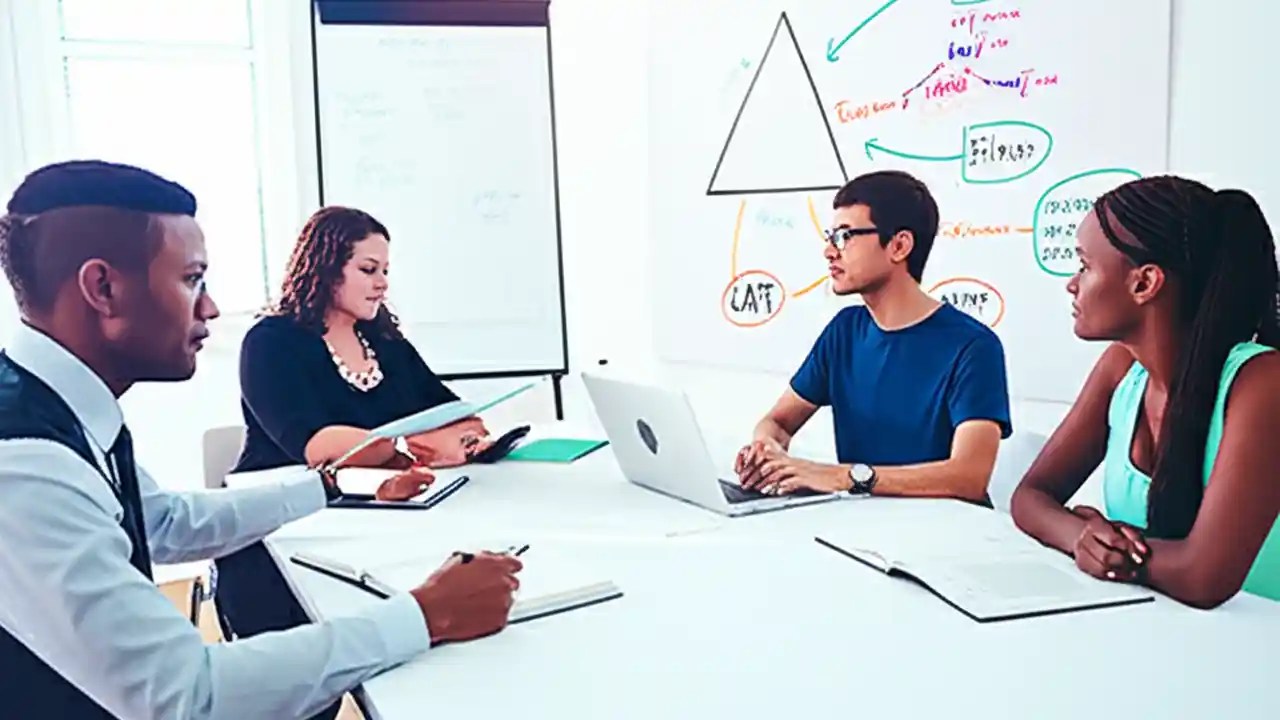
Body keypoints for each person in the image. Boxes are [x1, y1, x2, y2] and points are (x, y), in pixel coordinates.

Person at [0, 160, 522, 720]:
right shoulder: (27, 466)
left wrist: (330, 486)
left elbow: (168, 522)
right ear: (103, 288)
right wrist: (427, 614)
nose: (210, 307)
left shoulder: (65, 407)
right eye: (192, 279)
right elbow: (191, 697)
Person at [214, 205, 496, 661]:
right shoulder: (270, 342)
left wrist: (464, 438)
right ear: (326, 269)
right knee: (309, 675)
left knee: (436, 638)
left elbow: (457, 414)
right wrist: (409, 446)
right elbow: (313, 446)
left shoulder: (386, 342)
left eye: (385, 270)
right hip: (281, 532)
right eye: (368, 269)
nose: (382, 282)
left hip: (382, 522)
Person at [1010, 174, 1280, 608]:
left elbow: (1204, 577)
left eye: (1085, 265)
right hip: (1167, 638)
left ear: (1144, 283)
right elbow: (1030, 497)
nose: (1072, 284)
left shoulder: (1262, 382)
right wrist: (1082, 536)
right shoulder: (1120, 368)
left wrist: (1112, 554)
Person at [735, 170, 1012, 502]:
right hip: (861, 531)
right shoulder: (844, 331)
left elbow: (968, 477)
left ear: (899, 246)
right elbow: (778, 422)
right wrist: (766, 450)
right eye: (830, 236)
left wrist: (842, 476)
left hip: (942, 538)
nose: (829, 251)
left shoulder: (973, 347)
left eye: (845, 236)